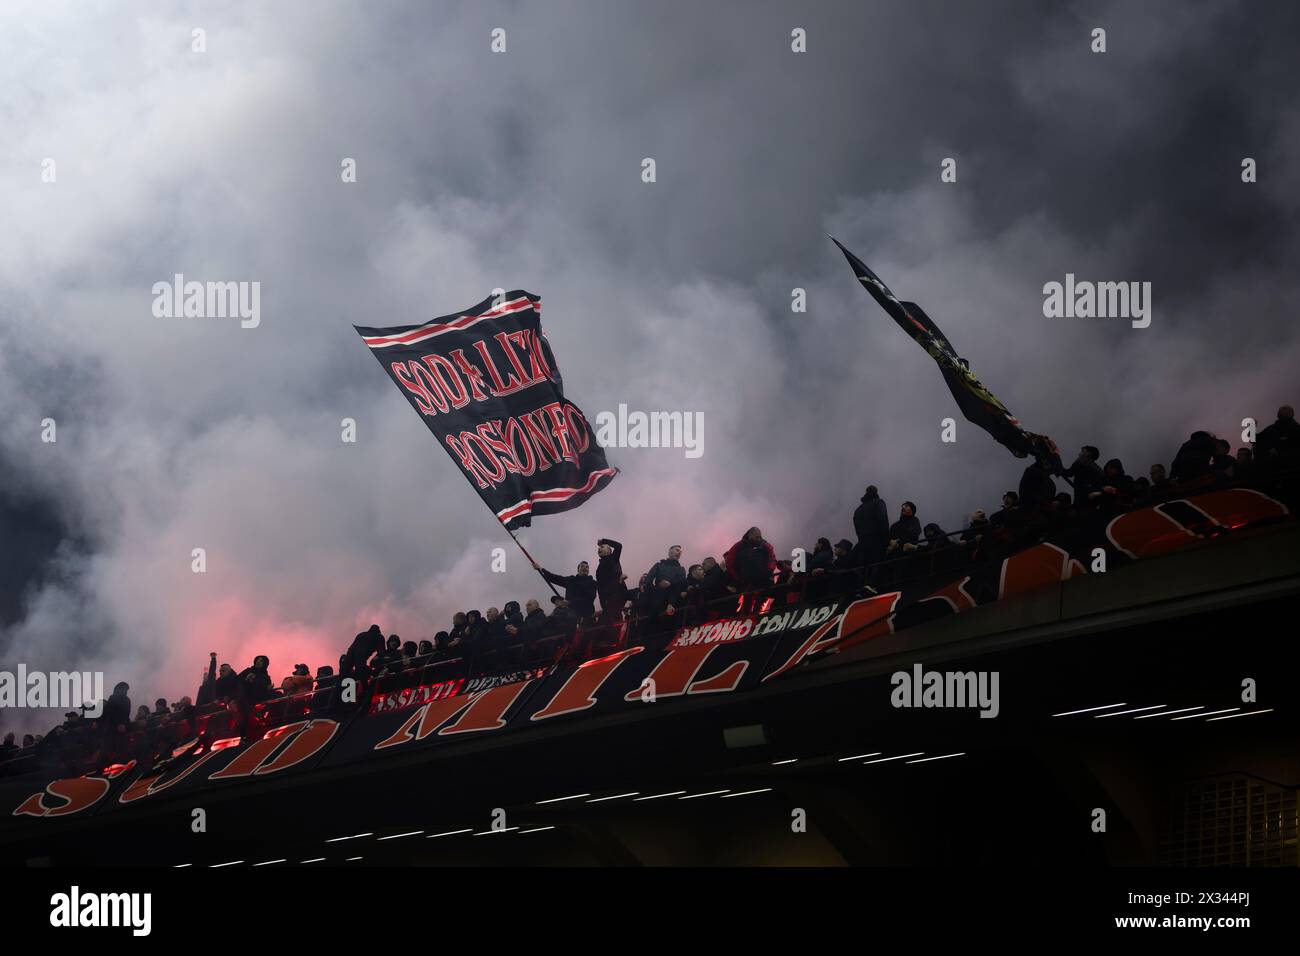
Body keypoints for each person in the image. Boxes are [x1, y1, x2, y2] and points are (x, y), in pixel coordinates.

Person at [724, 527, 778, 608]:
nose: (759, 539)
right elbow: (730, 562)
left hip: (763, 580)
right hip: (747, 582)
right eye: (757, 537)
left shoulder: (765, 545)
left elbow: (772, 558)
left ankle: (757, 615)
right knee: (747, 604)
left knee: (760, 603)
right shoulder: (738, 546)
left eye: (760, 537)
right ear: (750, 536)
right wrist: (738, 577)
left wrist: (769, 571)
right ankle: (748, 615)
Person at [533, 558, 598, 621]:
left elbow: (589, 599)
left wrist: (570, 602)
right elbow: (554, 578)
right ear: (578, 569)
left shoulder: (592, 583)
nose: (585, 568)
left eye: (587, 567)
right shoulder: (571, 580)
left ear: (588, 570)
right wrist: (541, 569)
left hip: (586, 616)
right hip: (571, 616)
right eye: (582, 566)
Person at [853, 486, 889, 566]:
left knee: (866, 568)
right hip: (877, 541)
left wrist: (861, 539)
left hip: (863, 543)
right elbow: (883, 520)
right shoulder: (879, 502)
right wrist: (886, 541)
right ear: (876, 492)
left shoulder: (858, 510)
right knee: (878, 566)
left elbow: (857, 529)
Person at [595, 538, 625, 622]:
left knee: (614, 622)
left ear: (609, 551)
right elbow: (600, 588)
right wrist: (603, 605)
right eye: (599, 548)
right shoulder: (598, 569)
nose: (599, 549)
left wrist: (603, 541)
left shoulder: (613, 558)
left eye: (602, 547)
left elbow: (618, 546)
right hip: (607, 604)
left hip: (617, 597)